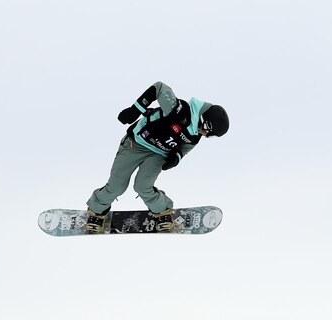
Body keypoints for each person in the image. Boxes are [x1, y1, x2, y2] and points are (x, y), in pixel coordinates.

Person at [85, 82, 228, 233]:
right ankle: (97, 211)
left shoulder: (194, 136)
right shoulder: (178, 110)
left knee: (142, 186)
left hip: (158, 154)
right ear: (206, 122)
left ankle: (163, 210)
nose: (205, 135)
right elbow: (159, 87)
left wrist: (175, 158)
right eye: (208, 132)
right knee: (117, 185)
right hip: (135, 144)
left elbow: (184, 149)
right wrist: (136, 109)